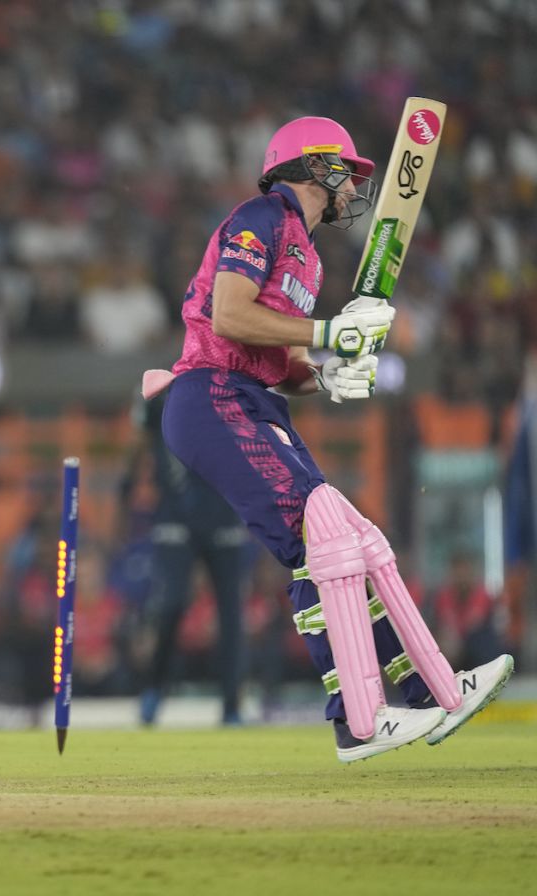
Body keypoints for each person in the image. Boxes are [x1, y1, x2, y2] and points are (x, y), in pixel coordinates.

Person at [144, 115, 513, 762]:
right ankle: (358, 722)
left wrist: (329, 374)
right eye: (344, 170)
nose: (352, 185)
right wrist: (327, 334)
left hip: (251, 397)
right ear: (311, 167)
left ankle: (425, 693)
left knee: (349, 540)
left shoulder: (306, 253)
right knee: (323, 538)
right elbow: (229, 315)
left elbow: (276, 356)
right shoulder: (261, 215)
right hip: (211, 393)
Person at [130, 390, 251, 726]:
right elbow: (141, 440)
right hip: (175, 511)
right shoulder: (159, 394)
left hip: (223, 509)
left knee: (231, 615)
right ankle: (154, 689)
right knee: (171, 605)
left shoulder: (231, 391)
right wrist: (128, 490)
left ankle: (231, 706)